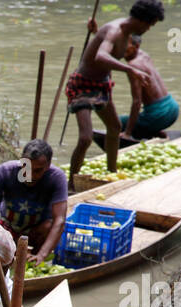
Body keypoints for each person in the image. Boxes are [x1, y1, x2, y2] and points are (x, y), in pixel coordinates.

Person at [66, 0, 166, 180]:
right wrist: (130, 69)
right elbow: (101, 55)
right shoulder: (116, 30)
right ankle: (71, 183)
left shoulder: (126, 33)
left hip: (101, 84)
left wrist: (96, 34)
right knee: (85, 138)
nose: (148, 29)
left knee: (114, 127)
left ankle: (111, 174)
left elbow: (105, 46)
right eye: (150, 25)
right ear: (142, 20)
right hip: (83, 85)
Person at [0, 140, 69, 265]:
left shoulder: (57, 178)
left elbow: (60, 220)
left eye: (37, 171)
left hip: (35, 229)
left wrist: (42, 254)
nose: (29, 175)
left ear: (47, 166)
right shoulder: (5, 171)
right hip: (6, 223)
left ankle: (33, 258)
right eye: (26, 168)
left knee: (50, 226)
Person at [123, 35, 179, 140]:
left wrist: (127, 133)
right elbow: (111, 49)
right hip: (173, 108)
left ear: (136, 46)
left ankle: (147, 132)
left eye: (126, 45)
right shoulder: (143, 55)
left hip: (159, 115)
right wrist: (97, 33)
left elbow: (136, 102)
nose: (122, 48)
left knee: (118, 122)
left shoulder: (132, 66)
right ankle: (154, 132)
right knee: (139, 119)